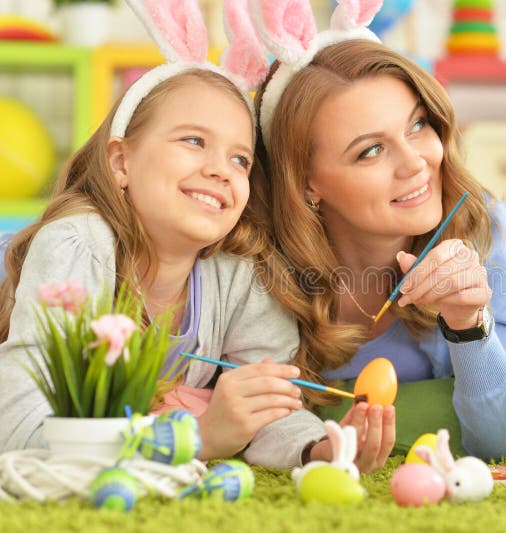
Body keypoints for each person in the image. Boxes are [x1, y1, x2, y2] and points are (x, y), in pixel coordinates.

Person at [0, 0, 331, 470]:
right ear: (121, 163)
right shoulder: (77, 245)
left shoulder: (237, 274)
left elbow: (271, 408)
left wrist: (319, 449)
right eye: (193, 140)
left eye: (241, 159)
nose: (221, 170)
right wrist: (194, 437)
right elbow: (17, 432)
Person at [250, 0, 506, 459]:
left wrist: (468, 327)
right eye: (370, 151)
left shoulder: (484, 228)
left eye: (418, 125)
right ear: (306, 182)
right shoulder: (258, 257)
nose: (416, 163)